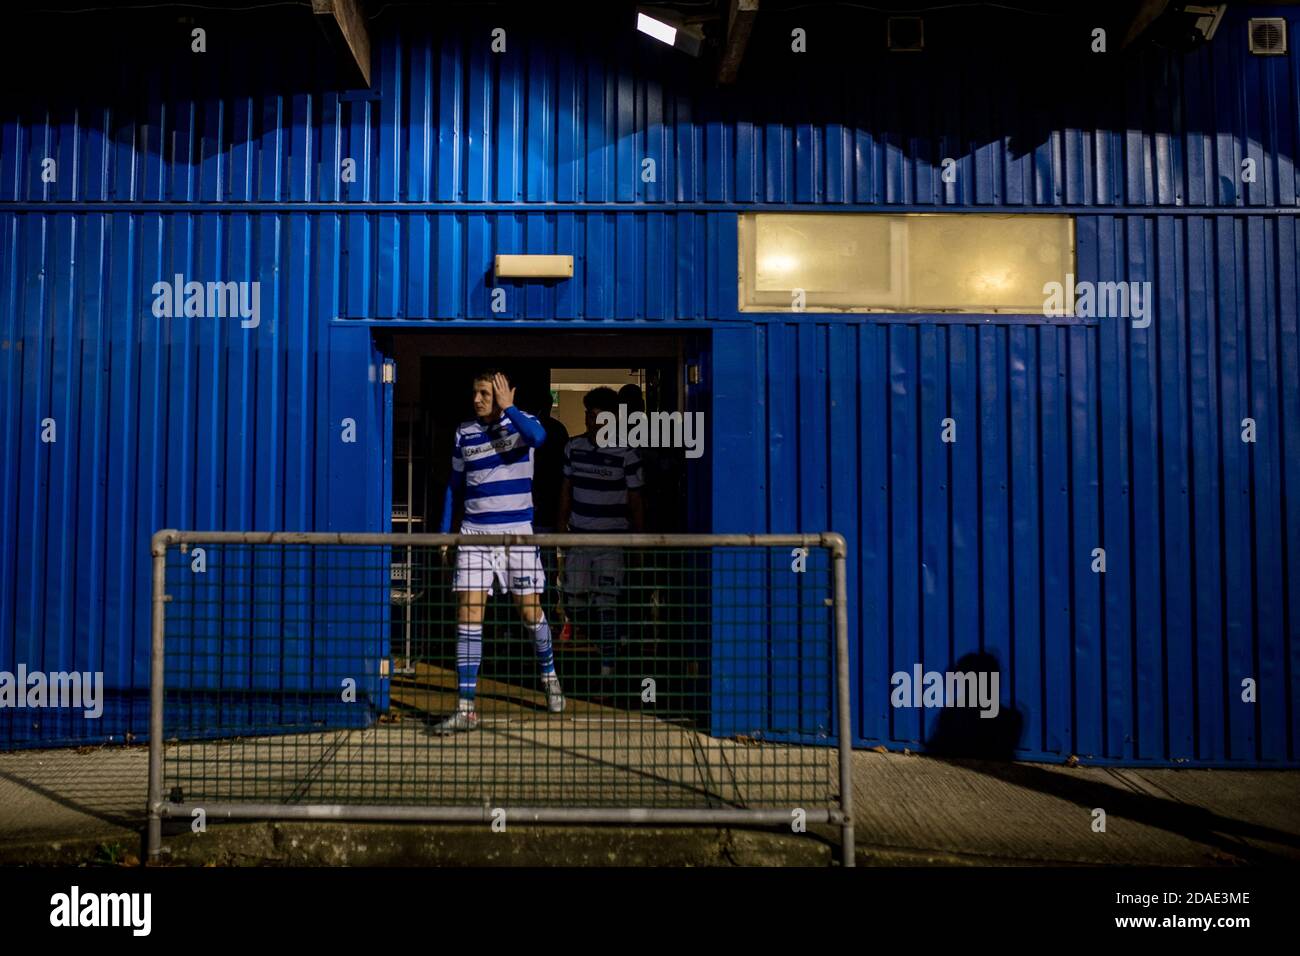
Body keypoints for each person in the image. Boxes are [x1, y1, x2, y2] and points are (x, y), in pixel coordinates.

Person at [433, 370, 564, 734]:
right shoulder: (464, 432)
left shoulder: (525, 424)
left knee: (530, 612)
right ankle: (466, 707)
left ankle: (549, 673)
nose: (477, 400)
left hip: (517, 534)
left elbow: (540, 438)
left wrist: (510, 408)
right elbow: (454, 486)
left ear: (504, 394)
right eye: (474, 393)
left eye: (485, 394)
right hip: (474, 534)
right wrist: (445, 534)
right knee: (469, 614)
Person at [557, 387, 644, 696]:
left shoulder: (628, 453)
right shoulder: (573, 448)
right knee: (576, 604)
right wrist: (561, 532)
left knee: (606, 605)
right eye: (588, 414)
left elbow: (636, 501)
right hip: (579, 539)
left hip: (612, 542)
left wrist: (638, 543)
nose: (591, 421)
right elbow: (566, 490)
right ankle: (612, 638)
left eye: (597, 415)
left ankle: (607, 670)